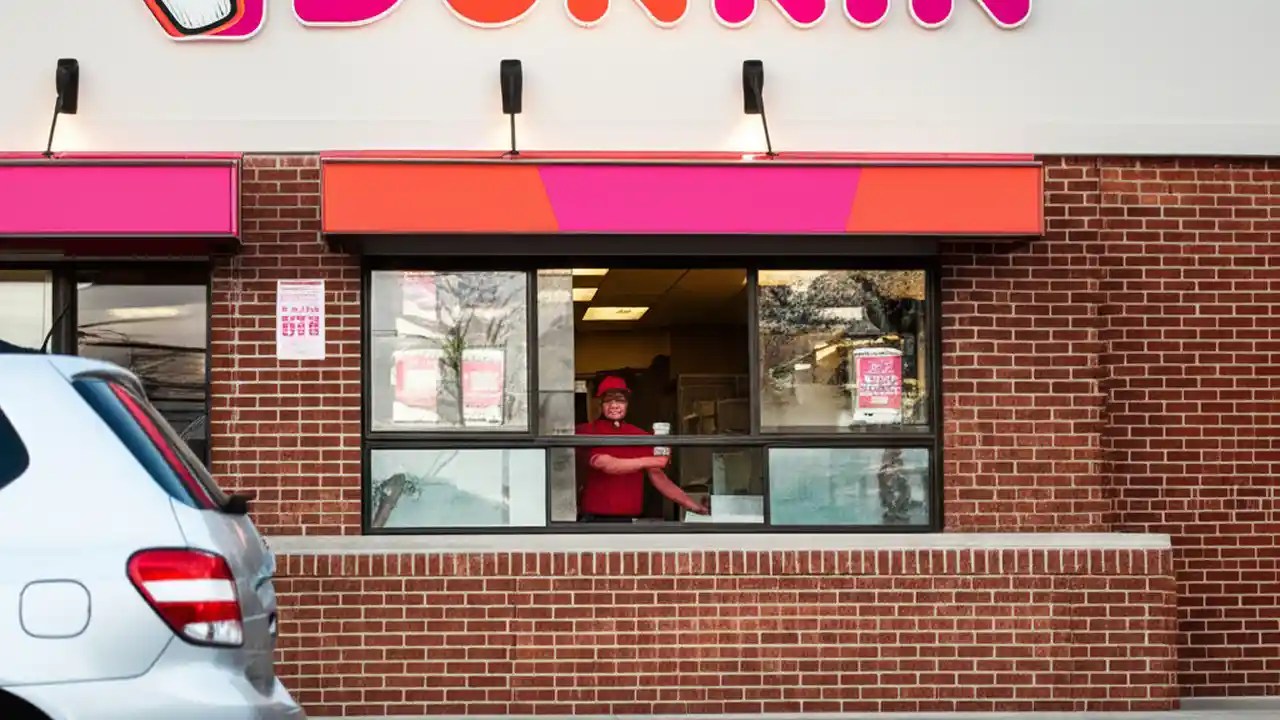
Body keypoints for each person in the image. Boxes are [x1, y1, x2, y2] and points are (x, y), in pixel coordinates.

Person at [576, 376, 709, 522]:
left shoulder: (639, 435)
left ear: (627, 403)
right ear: (600, 404)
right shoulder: (586, 431)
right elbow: (605, 464)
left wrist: (693, 506)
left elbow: (659, 478)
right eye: (608, 400)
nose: (614, 405)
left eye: (620, 399)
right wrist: (652, 461)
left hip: (629, 520)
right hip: (593, 521)